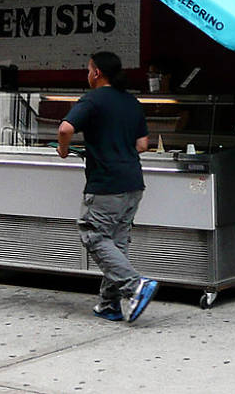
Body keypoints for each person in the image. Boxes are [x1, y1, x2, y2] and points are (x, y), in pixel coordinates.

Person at [57, 51, 158, 324]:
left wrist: (63, 150)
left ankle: (134, 285)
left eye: (88, 69)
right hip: (133, 183)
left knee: (93, 235)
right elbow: (142, 145)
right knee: (117, 242)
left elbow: (65, 128)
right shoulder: (132, 101)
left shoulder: (93, 99)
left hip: (106, 184)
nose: (87, 74)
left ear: (97, 72)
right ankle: (109, 304)